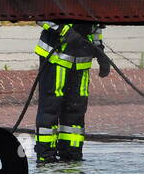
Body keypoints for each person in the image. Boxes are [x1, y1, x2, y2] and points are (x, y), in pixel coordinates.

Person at [33, 20, 110, 163]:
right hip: (55, 57)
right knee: (51, 107)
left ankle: (71, 154)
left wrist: (100, 52)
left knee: (76, 110)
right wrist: (63, 31)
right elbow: (41, 16)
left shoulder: (94, 0)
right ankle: (46, 155)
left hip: (81, 62)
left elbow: (96, 27)